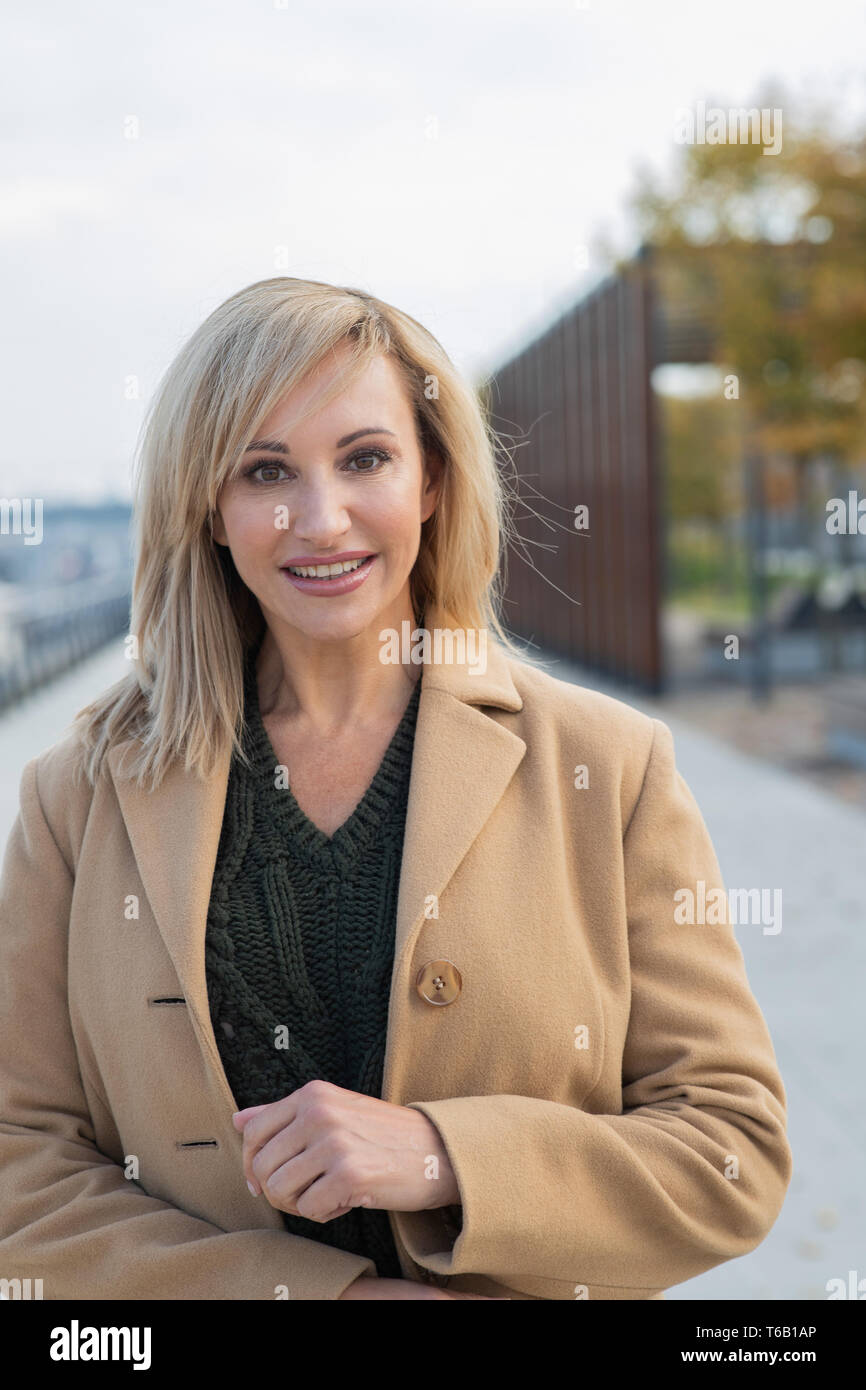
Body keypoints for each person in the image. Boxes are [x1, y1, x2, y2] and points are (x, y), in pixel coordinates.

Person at [0, 277, 791, 1300]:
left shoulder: (608, 766)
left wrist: (440, 1155)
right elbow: (19, 1163)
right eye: (265, 470)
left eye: (364, 458)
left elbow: (730, 1152)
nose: (321, 519)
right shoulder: (79, 799)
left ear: (430, 478)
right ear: (209, 505)